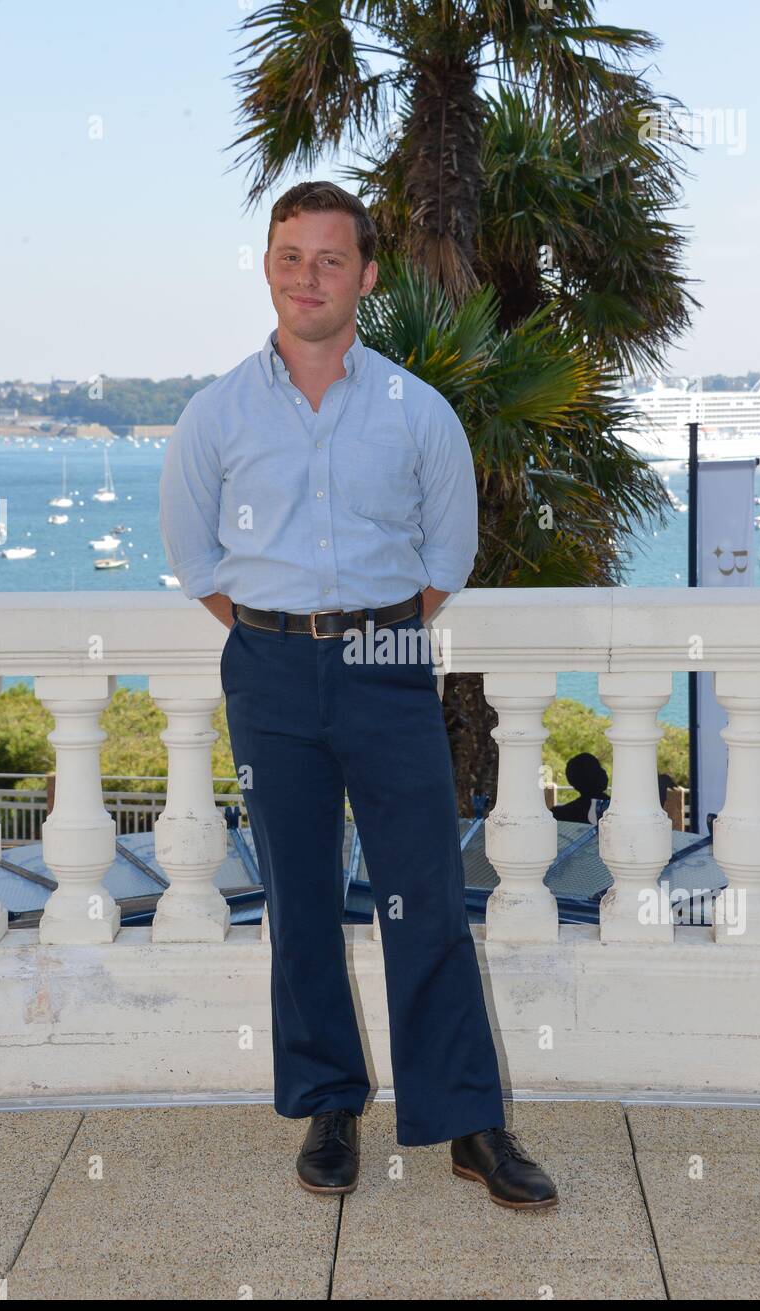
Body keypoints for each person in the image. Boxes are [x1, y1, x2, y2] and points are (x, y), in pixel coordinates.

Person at [158, 181, 557, 1212]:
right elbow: (197, 560)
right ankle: (329, 1106)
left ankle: (470, 1125)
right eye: (291, 257)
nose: (309, 277)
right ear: (268, 268)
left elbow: (447, 553)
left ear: (366, 277)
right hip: (268, 670)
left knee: (424, 894)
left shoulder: (414, 412)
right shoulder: (216, 414)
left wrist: (365, 637)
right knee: (296, 895)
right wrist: (287, 638)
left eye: (330, 260)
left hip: (385, 663)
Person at [552, 753, 609, 824]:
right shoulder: (616, 810)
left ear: (572, 782)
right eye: (599, 768)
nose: (604, 771)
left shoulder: (558, 815)